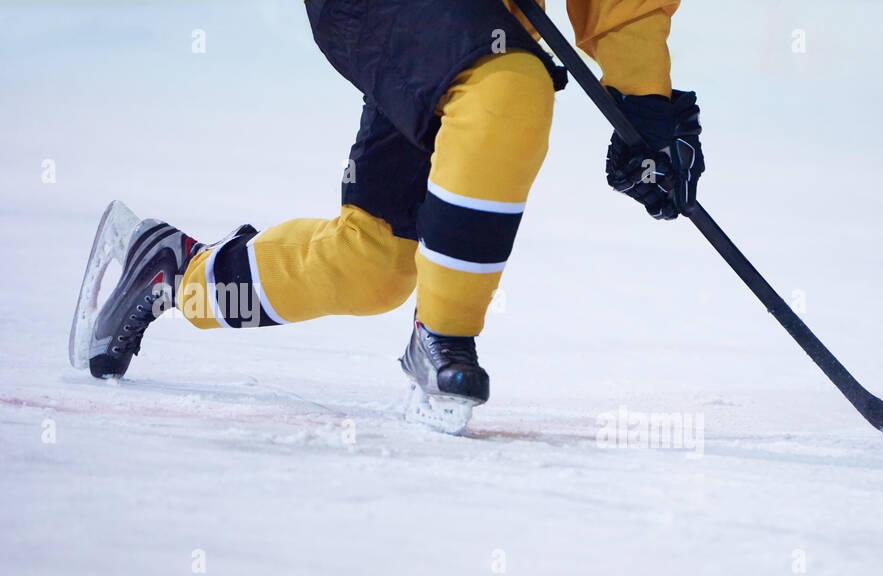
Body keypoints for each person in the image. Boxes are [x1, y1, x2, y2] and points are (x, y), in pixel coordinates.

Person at [69, 0, 704, 432]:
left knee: (374, 263)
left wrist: (642, 96)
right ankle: (444, 336)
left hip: (479, 19)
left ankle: (172, 272)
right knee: (509, 85)